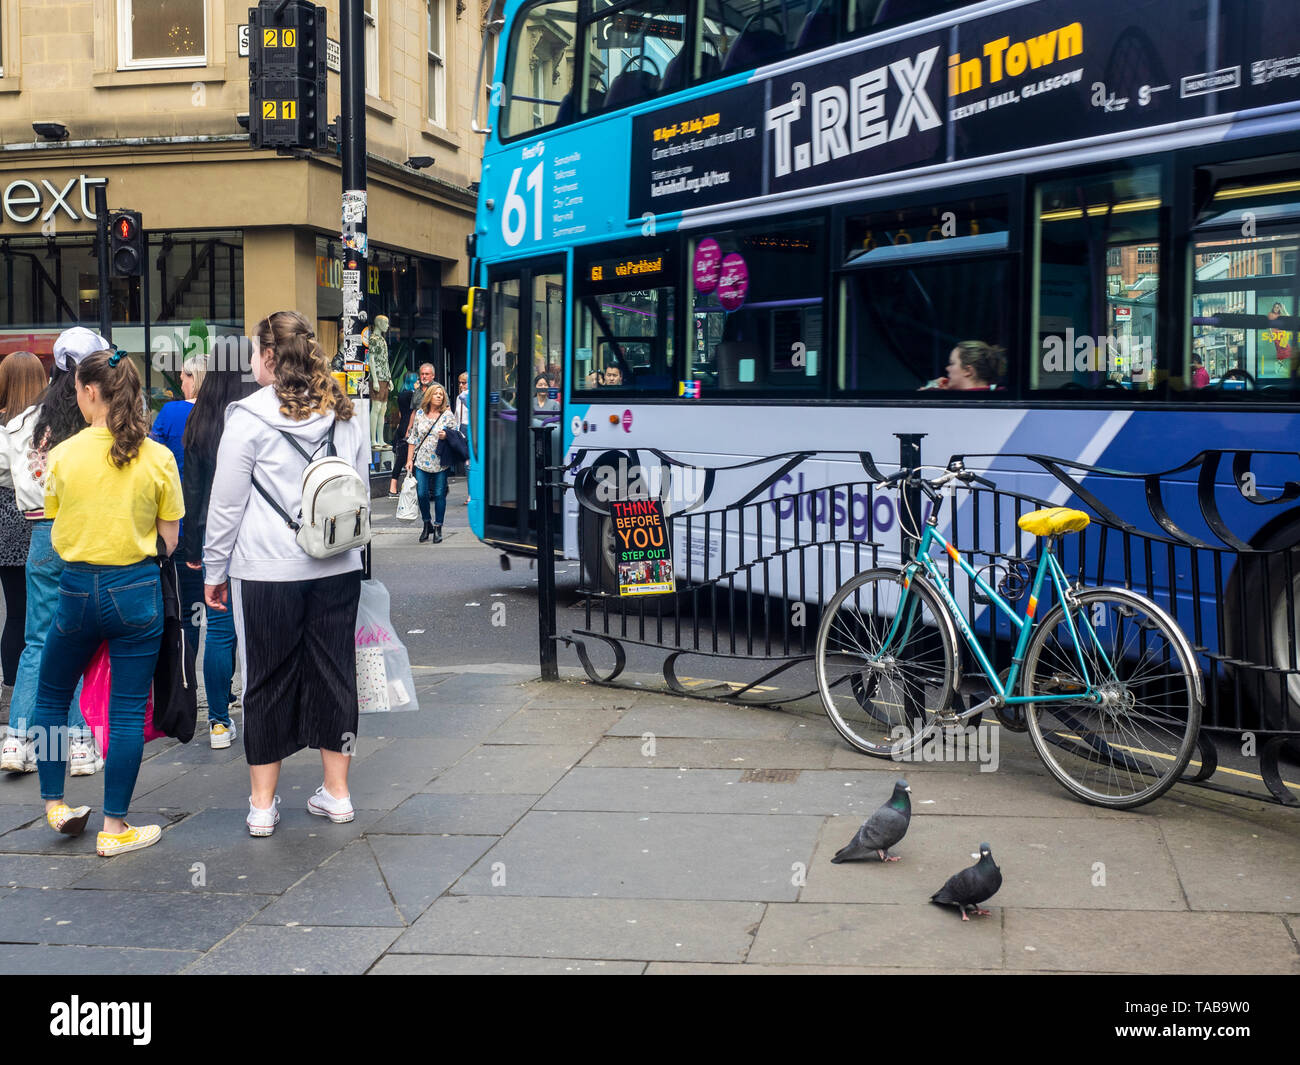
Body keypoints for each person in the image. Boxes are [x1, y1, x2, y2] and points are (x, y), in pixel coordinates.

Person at [202, 310, 368, 838]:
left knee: (266, 678)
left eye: (255, 353)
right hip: (337, 562)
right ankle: (337, 794)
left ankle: (261, 805)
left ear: (270, 358)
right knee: (335, 673)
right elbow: (357, 484)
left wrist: (214, 570)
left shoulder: (247, 417)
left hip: (268, 567)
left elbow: (226, 505)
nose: (252, 363)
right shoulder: (343, 410)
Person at [32, 348, 183, 857]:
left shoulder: (64, 455)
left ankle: (55, 802)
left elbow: (55, 525)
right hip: (136, 591)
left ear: (91, 392)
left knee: (51, 697)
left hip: (74, 590)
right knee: (124, 712)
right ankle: (115, 825)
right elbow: (170, 540)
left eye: (76, 388)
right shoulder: (157, 456)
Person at [0, 328, 106, 775]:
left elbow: (6, 474)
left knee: (37, 638)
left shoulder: (23, 421)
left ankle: (18, 740)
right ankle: (80, 743)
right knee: (80, 634)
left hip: (40, 532)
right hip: (84, 530)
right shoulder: (94, 421)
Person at [182, 354, 258, 749]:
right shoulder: (253, 421)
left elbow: (193, 494)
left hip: (214, 539)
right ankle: (258, 710)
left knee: (219, 631)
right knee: (258, 630)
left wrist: (195, 547)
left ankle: (216, 722)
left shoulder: (199, 423)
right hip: (256, 536)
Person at [148, 352, 207, 669]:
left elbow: (151, 460)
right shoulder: (222, 414)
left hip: (178, 527)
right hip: (214, 526)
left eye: (184, 375)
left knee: (182, 608)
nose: (180, 380)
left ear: (193, 378)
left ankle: (183, 677)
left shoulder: (170, 413)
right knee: (216, 617)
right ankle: (220, 692)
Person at [0, 352, 46, 719]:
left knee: (16, 612)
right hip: (33, 521)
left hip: (4, 524)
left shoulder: (3, 425)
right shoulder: (42, 424)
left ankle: (13, 689)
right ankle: (38, 689)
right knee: (40, 613)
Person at [406, 383, 456, 544]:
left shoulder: (447, 415)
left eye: (441, 394)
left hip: (440, 461)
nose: (439, 396)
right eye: (436, 394)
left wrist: (446, 435)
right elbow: (413, 438)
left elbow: (457, 436)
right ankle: (426, 523)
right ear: (429, 396)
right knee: (421, 494)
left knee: (440, 494)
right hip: (421, 460)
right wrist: (409, 460)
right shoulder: (420, 414)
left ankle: (438, 526)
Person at [923, 341, 1006, 391]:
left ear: (968, 371)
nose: (947, 368)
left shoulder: (956, 401)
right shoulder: (1000, 396)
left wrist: (930, 389)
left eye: (952, 363)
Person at [387, 386, 414, 498]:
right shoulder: (411, 398)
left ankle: (393, 488)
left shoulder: (401, 397)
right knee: (404, 458)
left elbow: (400, 415)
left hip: (402, 426)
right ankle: (393, 489)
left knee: (400, 458)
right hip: (408, 428)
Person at [454, 372, 472, 505]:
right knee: (467, 464)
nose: (461, 385)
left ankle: (472, 494)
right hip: (461, 429)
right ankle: (471, 493)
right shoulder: (459, 397)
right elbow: (457, 415)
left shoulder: (470, 396)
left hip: (470, 429)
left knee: (469, 464)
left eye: (464, 382)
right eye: (460, 382)